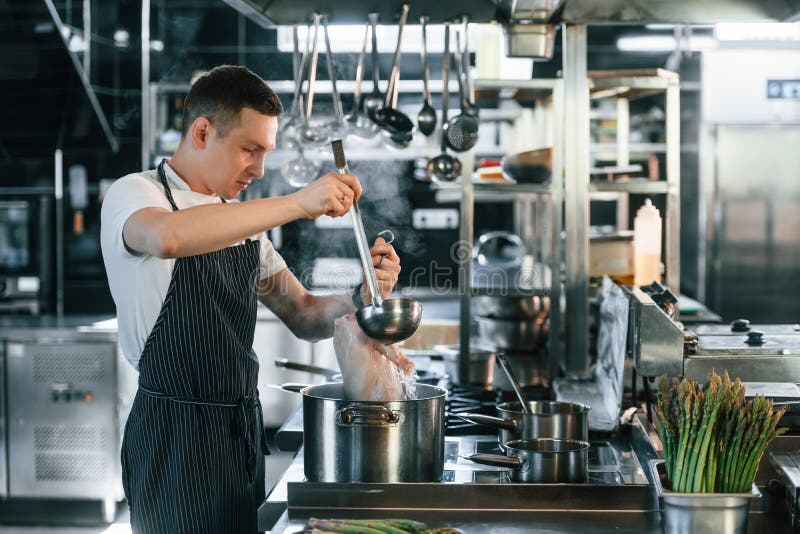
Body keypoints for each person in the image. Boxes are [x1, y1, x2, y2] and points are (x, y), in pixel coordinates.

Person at [100, 65, 401, 534]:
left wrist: (359, 297)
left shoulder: (242, 223)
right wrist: (299, 202)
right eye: (249, 149)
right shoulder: (137, 194)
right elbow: (167, 238)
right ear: (202, 131)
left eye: (265, 153)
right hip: (173, 434)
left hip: (239, 430)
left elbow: (303, 314)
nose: (259, 169)